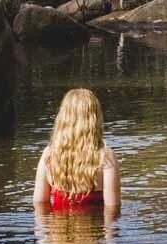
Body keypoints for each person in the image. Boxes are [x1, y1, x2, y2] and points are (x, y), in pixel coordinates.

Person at [33, 87, 121, 216]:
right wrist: (109, 236)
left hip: (58, 232)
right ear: (95, 118)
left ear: (63, 117)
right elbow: (112, 208)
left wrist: (45, 235)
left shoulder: (49, 154)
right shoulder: (105, 156)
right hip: (94, 233)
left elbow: (40, 202)